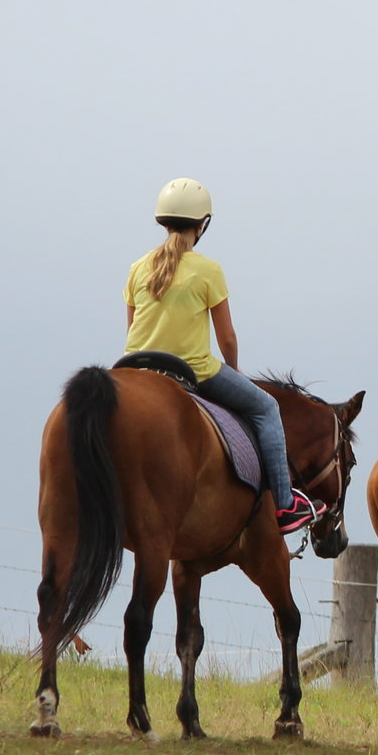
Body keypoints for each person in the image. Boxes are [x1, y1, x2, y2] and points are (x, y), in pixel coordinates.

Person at [124, 178, 316, 532]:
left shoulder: (138, 267)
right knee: (266, 408)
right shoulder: (208, 270)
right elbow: (226, 337)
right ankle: (286, 507)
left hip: (134, 370)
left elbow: (132, 327)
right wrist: (234, 369)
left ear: (163, 221)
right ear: (202, 224)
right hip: (191, 369)